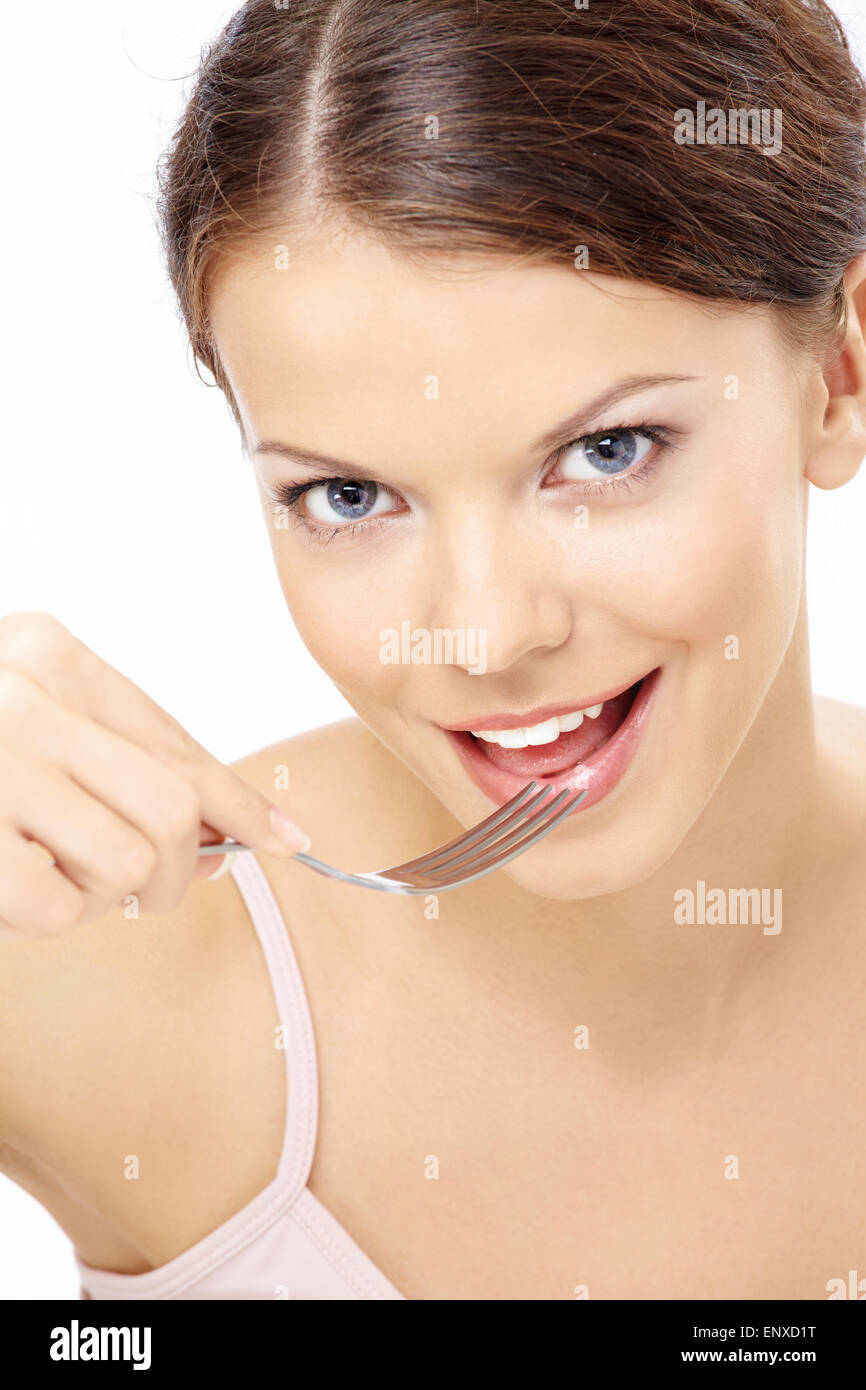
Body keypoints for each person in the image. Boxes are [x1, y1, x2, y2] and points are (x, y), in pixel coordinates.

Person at [2, 0, 865, 1300]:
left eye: (604, 452)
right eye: (348, 496)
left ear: (839, 372)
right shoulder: (120, 980)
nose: (484, 631)